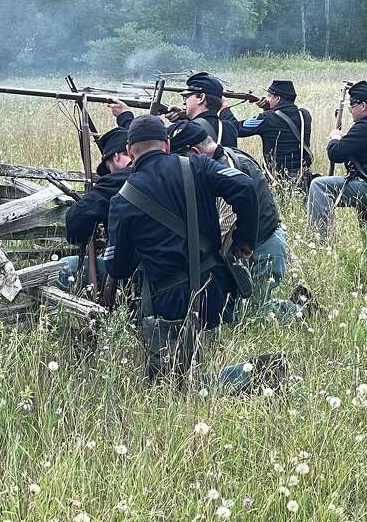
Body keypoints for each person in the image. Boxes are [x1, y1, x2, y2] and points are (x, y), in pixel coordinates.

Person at [106, 116, 258, 383]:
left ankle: (250, 376)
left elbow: (118, 268)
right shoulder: (196, 165)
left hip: (169, 307)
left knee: (174, 384)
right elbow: (245, 186)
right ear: (166, 144)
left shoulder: (122, 199)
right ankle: (250, 373)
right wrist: (244, 241)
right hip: (216, 292)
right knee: (212, 356)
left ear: (130, 150)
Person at [168, 120, 313, 325]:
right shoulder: (229, 155)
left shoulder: (225, 167)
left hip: (263, 250)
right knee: (238, 310)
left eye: (181, 159)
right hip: (257, 246)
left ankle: (300, 309)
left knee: (253, 316)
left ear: (194, 152)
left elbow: (226, 227)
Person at [306, 81, 367, 238]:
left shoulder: (364, 127)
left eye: (352, 105)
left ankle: (319, 240)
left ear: (363, 106)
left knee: (319, 185)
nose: (350, 110)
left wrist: (334, 138)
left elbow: (336, 154)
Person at [56, 125, 133, 291]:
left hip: (133, 275)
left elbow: (75, 225)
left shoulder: (117, 181)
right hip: (175, 274)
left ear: (117, 156)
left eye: (109, 166)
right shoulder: (166, 171)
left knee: (64, 269)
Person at [238, 79, 313, 181]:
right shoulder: (304, 115)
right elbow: (280, 121)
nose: (267, 99)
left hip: (275, 178)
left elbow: (237, 129)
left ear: (278, 98)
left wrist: (224, 109)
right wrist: (268, 109)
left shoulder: (266, 118)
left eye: (269, 96)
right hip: (302, 177)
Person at [165, 71, 239, 147]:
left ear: (201, 98)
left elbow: (155, 146)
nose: (184, 102)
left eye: (187, 97)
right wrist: (182, 117)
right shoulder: (229, 127)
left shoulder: (187, 128)